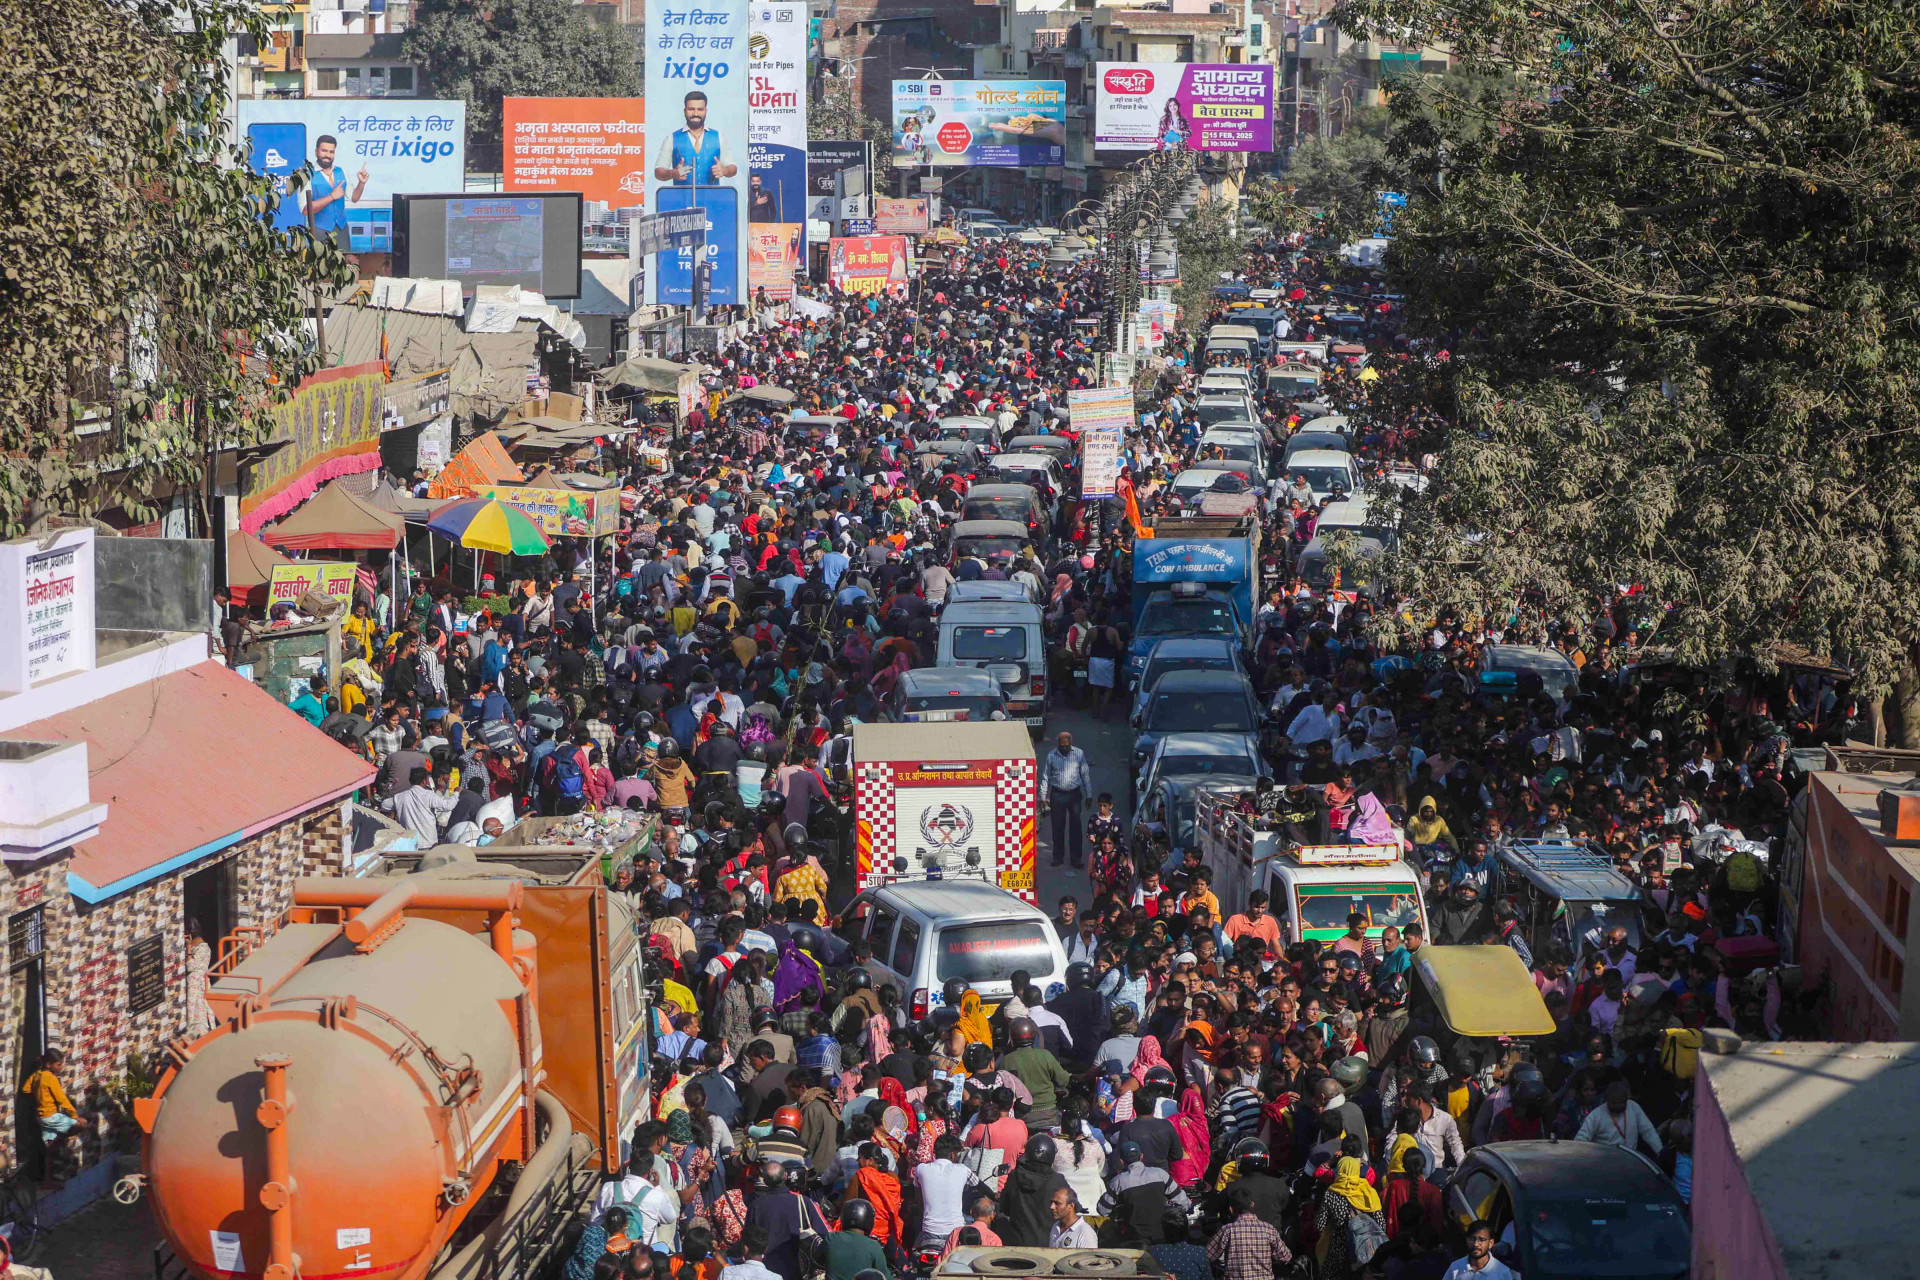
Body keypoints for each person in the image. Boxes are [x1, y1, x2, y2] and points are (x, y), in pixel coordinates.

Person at [1206, 1183, 1291, 1280]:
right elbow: (1285, 1257)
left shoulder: (1227, 1230)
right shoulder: (1269, 1229)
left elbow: (1207, 1256)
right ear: (1252, 1205)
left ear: (1231, 1209)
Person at [655, 91, 738, 186]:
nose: (695, 113)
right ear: (685, 111)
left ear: (706, 111)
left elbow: (733, 167)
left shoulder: (718, 137)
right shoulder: (672, 138)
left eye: (700, 109)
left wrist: (725, 170)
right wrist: (672, 173)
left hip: (712, 198)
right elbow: (658, 171)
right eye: (691, 109)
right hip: (682, 199)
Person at [302, 134, 370, 249]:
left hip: (341, 229)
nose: (327, 155)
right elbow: (305, 210)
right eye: (324, 151)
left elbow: (354, 197)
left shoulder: (341, 171)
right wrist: (331, 197)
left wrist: (361, 183)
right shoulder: (307, 175)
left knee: (343, 264)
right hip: (319, 230)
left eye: (331, 152)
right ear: (316, 152)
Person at [1040, 732, 1092, 869]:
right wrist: (1043, 797)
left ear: (1071, 744)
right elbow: (1046, 777)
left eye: (1067, 746)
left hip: (1074, 795)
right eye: (1062, 746)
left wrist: (1089, 795)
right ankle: (1058, 857)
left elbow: (1085, 774)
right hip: (1057, 795)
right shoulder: (1051, 756)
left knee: (1076, 827)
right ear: (1058, 744)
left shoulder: (1079, 754)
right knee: (1058, 827)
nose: (1064, 749)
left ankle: (1076, 858)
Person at [1575, 1080, 1663, 1154]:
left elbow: (1648, 1131)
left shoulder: (1633, 1107)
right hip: (1605, 1162)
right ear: (1607, 1099)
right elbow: (1580, 1141)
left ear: (1627, 1099)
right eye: (1614, 1103)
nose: (1618, 1106)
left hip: (1631, 1158)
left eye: (1621, 1103)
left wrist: (1660, 1152)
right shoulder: (1595, 1116)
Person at [823, 1199, 890, 1280]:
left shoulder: (831, 1238)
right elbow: (885, 1276)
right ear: (869, 1220)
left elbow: (816, 1259)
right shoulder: (874, 1246)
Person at [23, 1049, 77, 1147]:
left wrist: (39, 1094)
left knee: (51, 1145)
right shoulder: (51, 1078)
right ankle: (61, 1137)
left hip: (41, 1117)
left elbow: (26, 1089)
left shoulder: (37, 1074)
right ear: (48, 1064)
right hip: (50, 1116)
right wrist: (74, 1115)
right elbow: (61, 1099)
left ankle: (55, 1146)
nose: (61, 1067)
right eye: (58, 1065)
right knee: (82, 1124)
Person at [1442, 1220, 1515, 1280]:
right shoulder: (1455, 1268)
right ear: (1466, 1240)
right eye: (1472, 1239)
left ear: (1491, 1243)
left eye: (1482, 1240)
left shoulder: (1502, 1272)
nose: (1476, 1244)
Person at [1047, 1185, 1097, 1249]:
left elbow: (1089, 1258)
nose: (1052, 1207)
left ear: (1071, 1206)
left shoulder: (1085, 1233)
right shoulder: (1055, 1227)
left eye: (1057, 1203)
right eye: (1051, 1202)